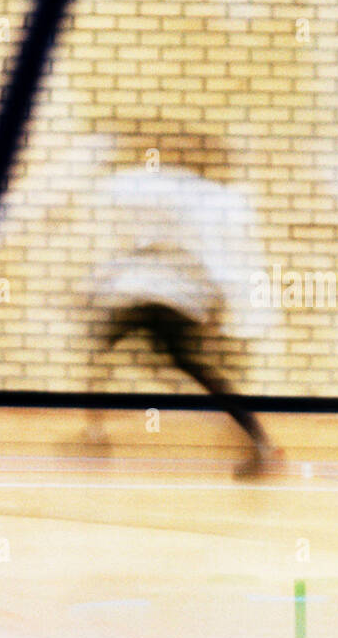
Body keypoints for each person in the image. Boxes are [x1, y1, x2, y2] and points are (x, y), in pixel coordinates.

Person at [87, 164, 281, 478]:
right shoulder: (194, 201)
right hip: (164, 296)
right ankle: (258, 441)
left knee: (108, 351)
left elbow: (208, 259)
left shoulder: (191, 204)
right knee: (190, 370)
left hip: (160, 297)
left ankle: (93, 433)